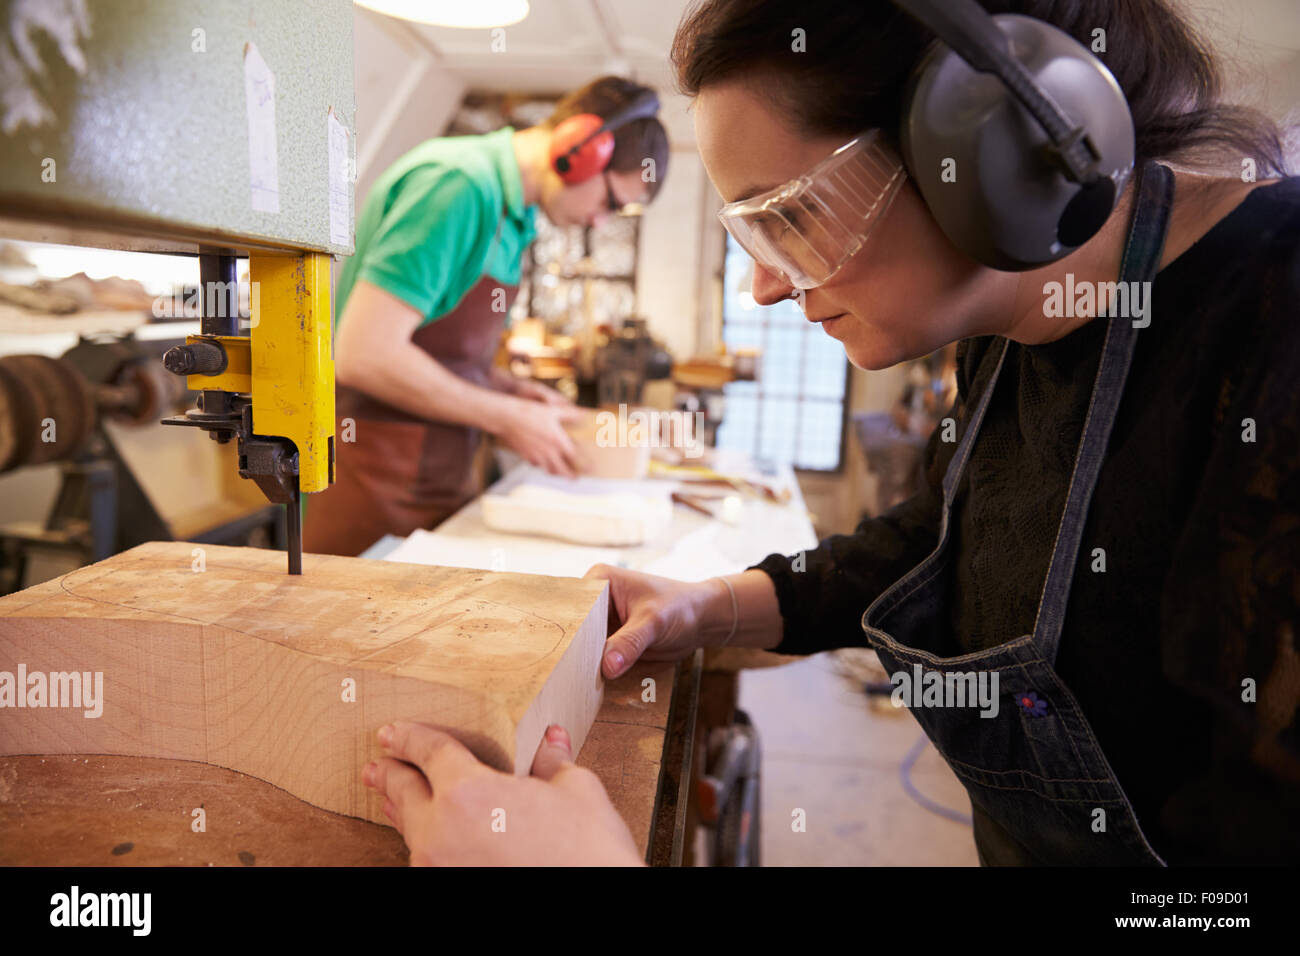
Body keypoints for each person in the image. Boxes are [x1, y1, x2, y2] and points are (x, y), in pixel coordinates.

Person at [363, 0, 1300, 865]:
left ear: (994, 152)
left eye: (792, 217)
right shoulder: (1011, 324)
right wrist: (718, 606)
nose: (763, 286)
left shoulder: (1275, 332)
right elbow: (939, 542)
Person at [306, 77, 670, 556]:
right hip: (374, 484)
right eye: (611, 203)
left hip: (438, 478)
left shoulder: (512, 215)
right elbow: (363, 353)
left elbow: (437, 351)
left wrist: (506, 390)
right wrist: (505, 417)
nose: (601, 221)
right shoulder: (456, 187)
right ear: (579, 150)